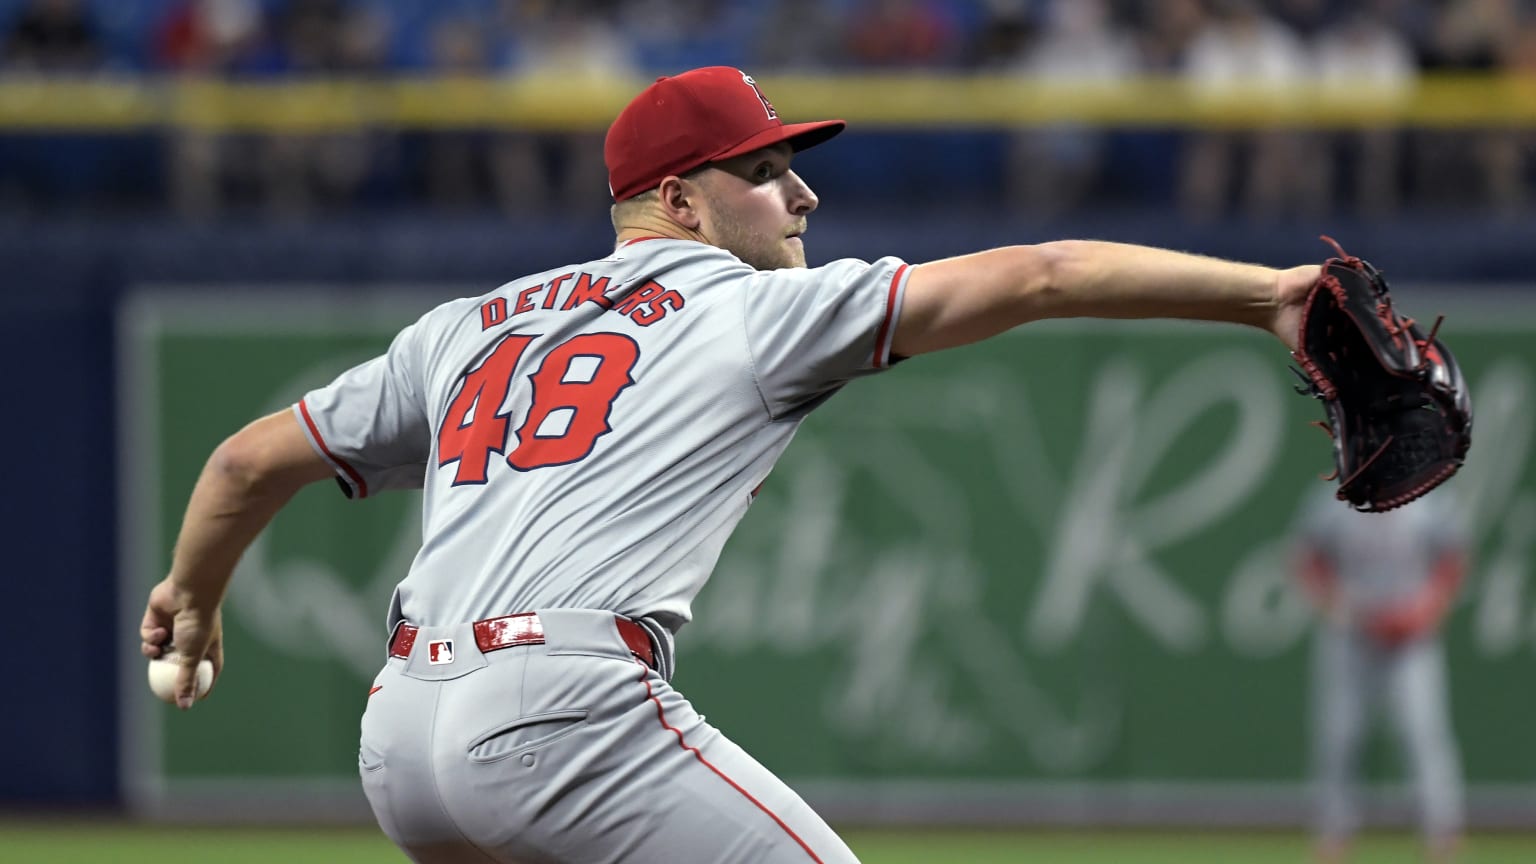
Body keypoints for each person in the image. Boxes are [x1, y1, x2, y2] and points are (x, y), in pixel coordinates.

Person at [140, 65, 1324, 863]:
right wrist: (1268, 294)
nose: (801, 191)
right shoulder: (745, 310)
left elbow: (244, 464)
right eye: (761, 171)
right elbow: (1046, 275)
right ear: (681, 202)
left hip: (398, 738)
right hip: (562, 714)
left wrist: (193, 596)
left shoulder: (464, 328)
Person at [1293, 486, 1470, 864]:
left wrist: (1427, 610)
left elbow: (1453, 558)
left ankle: (1441, 832)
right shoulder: (1332, 500)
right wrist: (1343, 609)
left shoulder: (1427, 498)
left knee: (1421, 731)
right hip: (1351, 631)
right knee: (1339, 734)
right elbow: (1308, 559)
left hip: (1412, 633)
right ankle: (1333, 832)